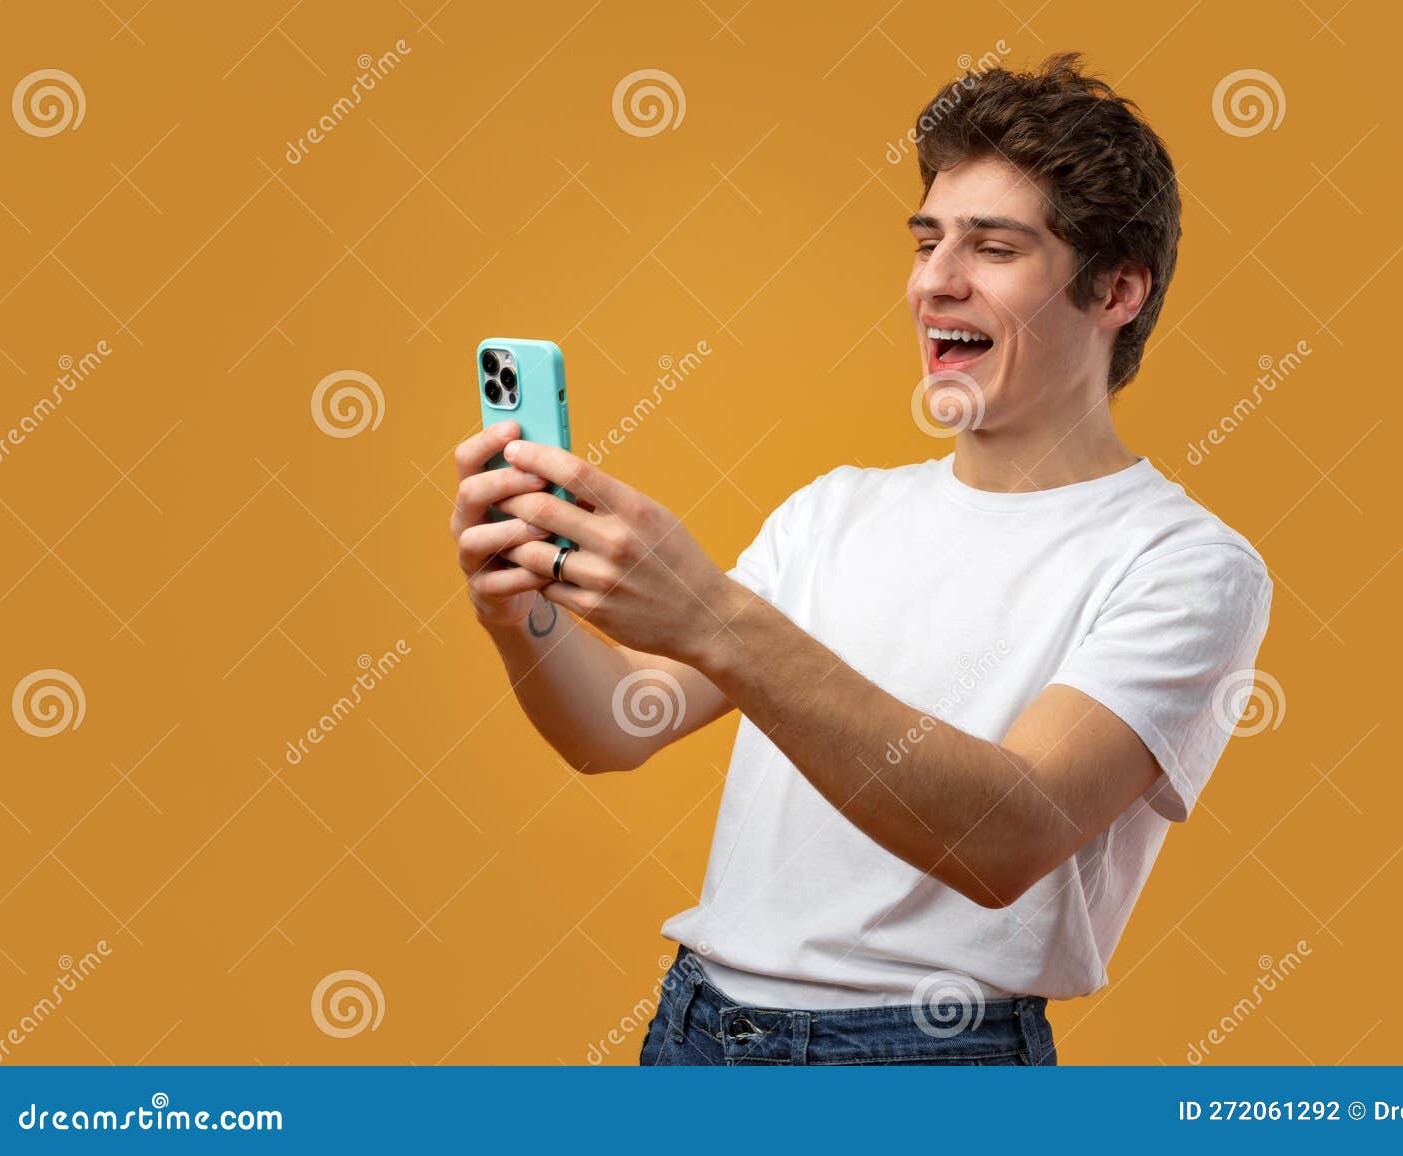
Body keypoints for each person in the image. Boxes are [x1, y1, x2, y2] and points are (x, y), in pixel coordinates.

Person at [448, 51, 1272, 1066]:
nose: (934, 281)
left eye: (993, 247)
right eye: (927, 242)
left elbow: (1006, 835)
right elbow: (617, 728)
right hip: (696, 1032)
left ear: (1116, 289)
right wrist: (518, 609)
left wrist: (712, 615)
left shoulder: (1185, 564)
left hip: (926, 1063)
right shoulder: (832, 510)